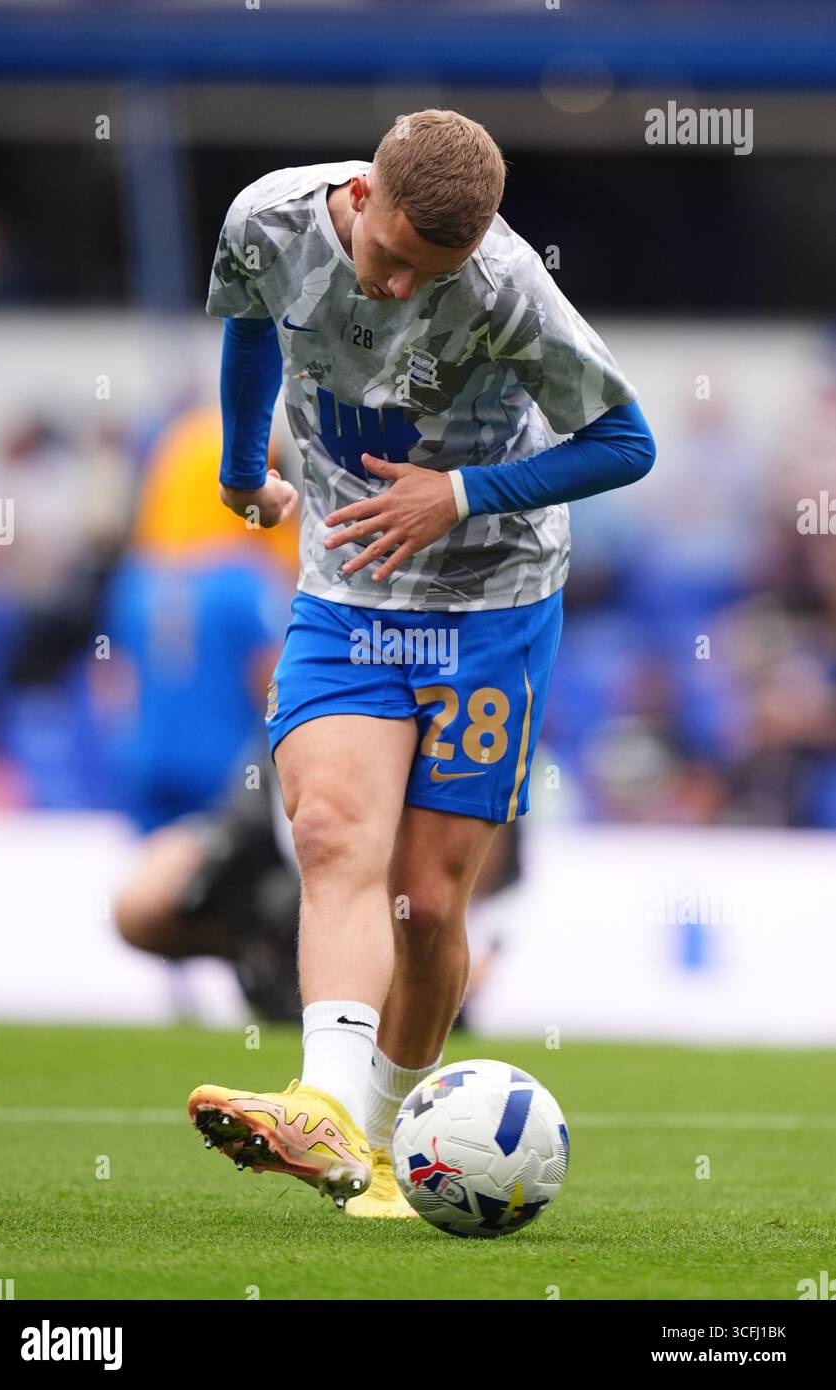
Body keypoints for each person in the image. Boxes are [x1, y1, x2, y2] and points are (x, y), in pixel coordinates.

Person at [187, 109, 656, 1218]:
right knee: (333, 831)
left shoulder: (506, 291)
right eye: (391, 258)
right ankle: (326, 1108)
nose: (400, 289)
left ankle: (387, 1140)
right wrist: (243, 459)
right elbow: (252, 324)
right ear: (362, 197)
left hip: (491, 602)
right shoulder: (269, 218)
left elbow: (627, 442)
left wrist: (457, 492)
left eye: (427, 275)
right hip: (347, 592)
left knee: (427, 901)